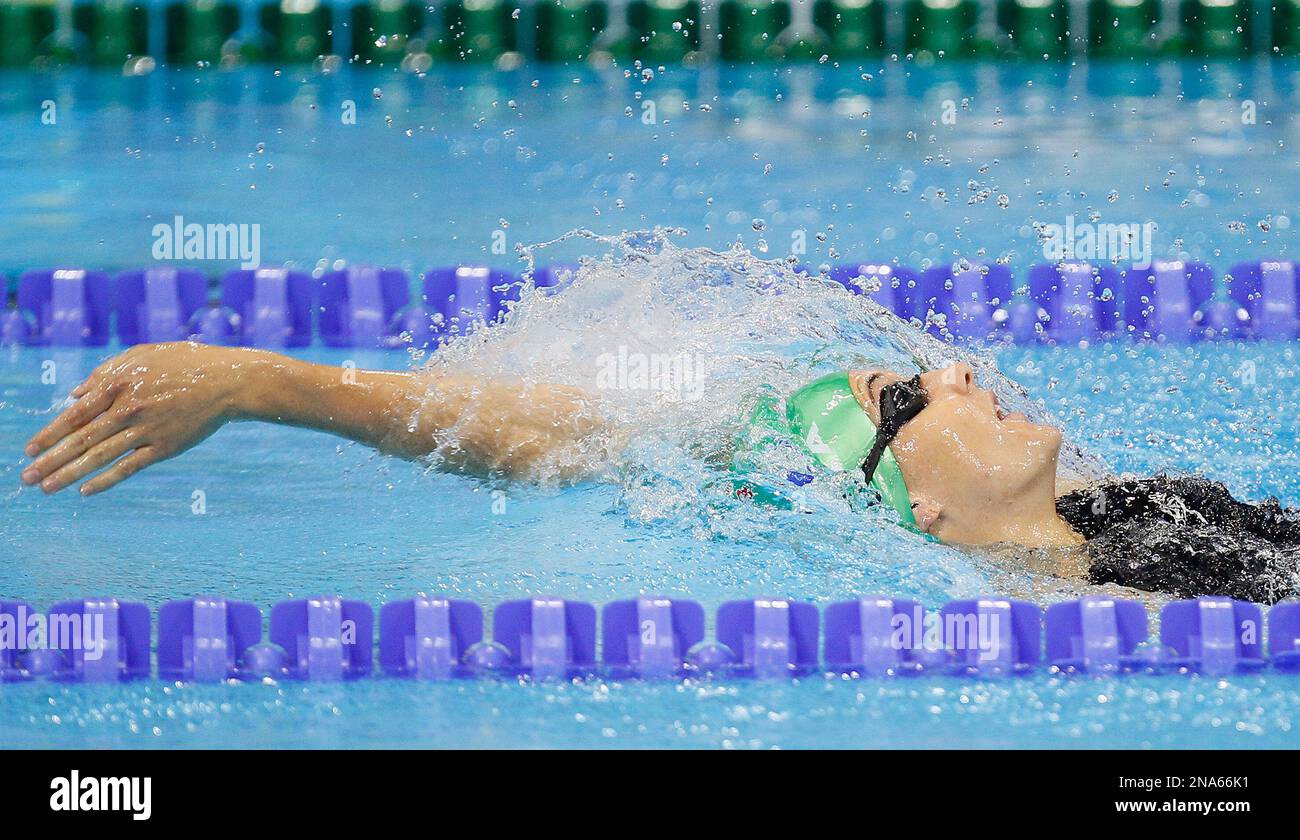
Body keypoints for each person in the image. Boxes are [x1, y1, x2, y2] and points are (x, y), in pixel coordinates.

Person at [19, 342, 1299, 603]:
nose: (956, 369)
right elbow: (559, 432)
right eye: (907, 398)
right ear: (926, 513)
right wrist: (262, 385)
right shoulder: (1051, 612)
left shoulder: (1163, 514)